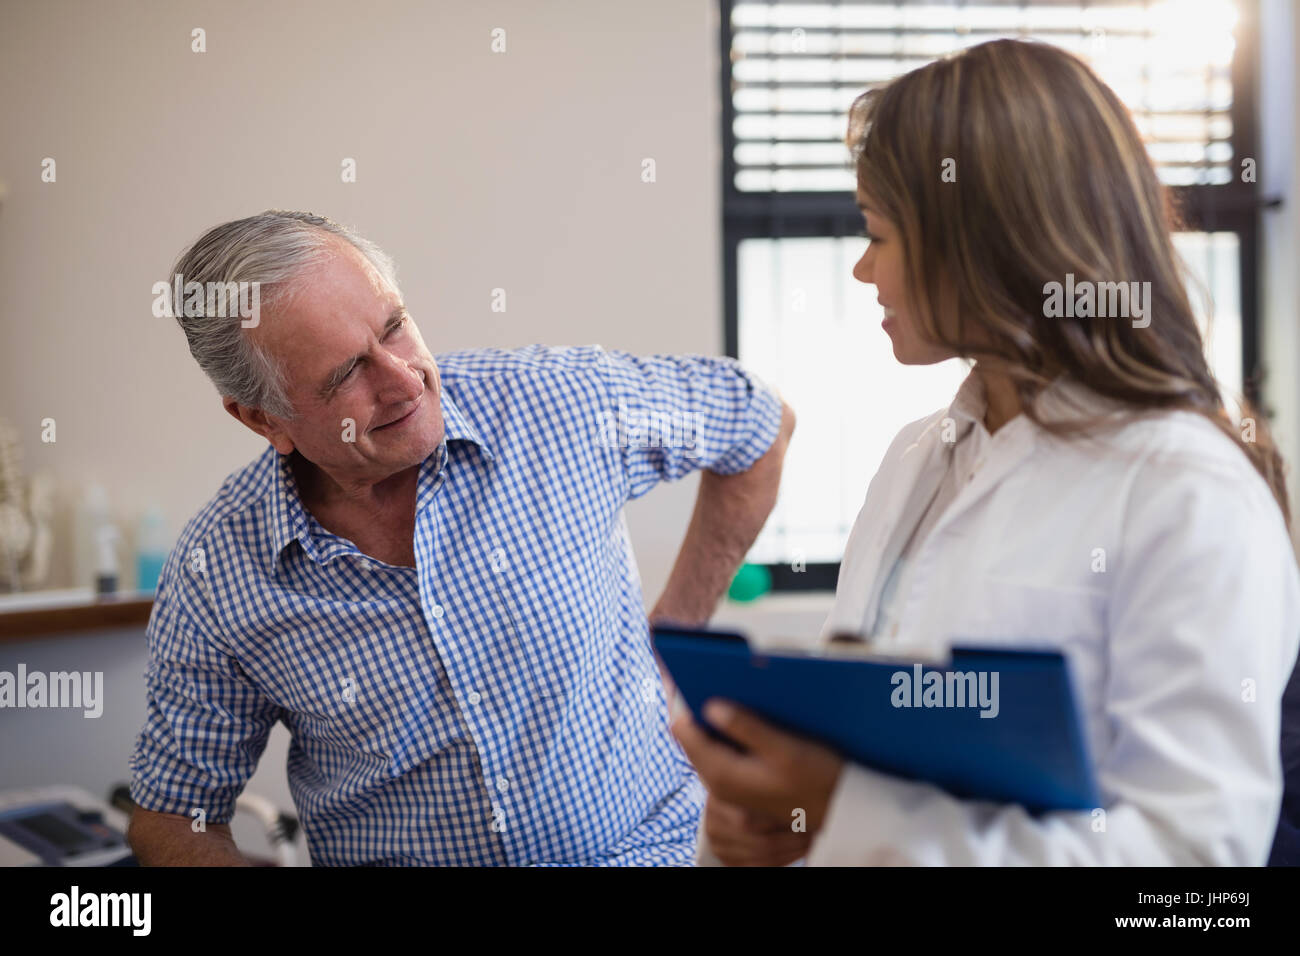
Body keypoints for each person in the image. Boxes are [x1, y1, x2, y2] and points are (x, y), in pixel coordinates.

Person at [674, 38, 1300, 866]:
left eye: (879, 233)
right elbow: (857, 745)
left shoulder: (1188, 490)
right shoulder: (915, 461)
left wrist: (847, 815)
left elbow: (1193, 870)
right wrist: (774, 827)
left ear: (986, 242)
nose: (862, 270)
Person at [127, 210, 794, 866]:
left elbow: (760, 422)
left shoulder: (557, 403)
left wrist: (673, 635)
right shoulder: (218, 567)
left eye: (394, 327)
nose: (402, 378)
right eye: (346, 374)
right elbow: (173, 815)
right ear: (262, 419)